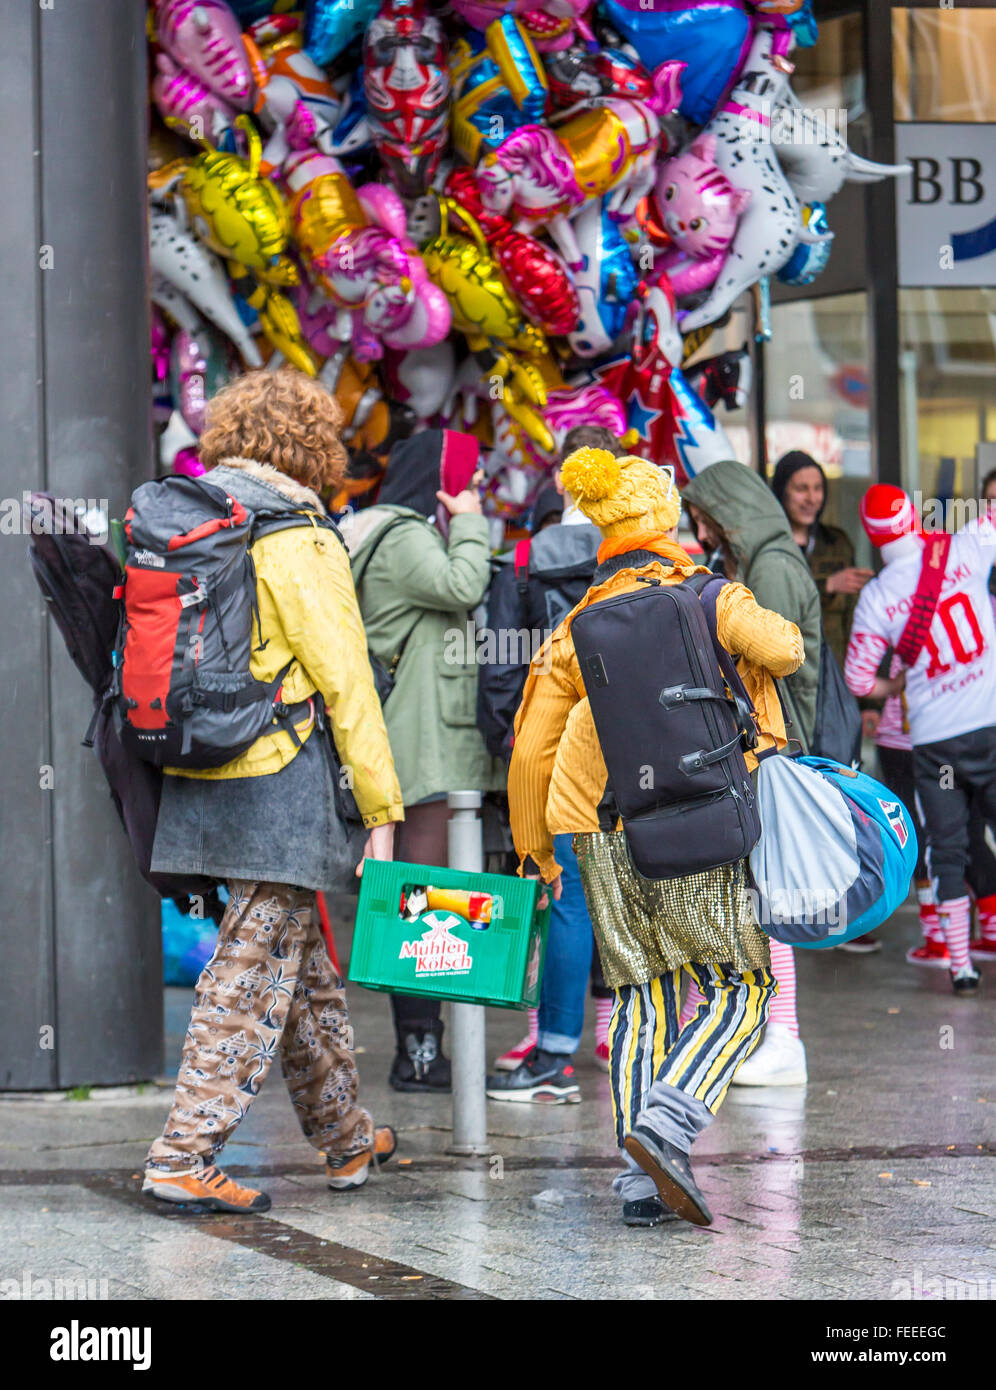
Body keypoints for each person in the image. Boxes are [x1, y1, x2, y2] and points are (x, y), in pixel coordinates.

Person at [508, 446, 805, 1227]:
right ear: (668, 521)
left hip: (597, 826)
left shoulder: (578, 625)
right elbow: (788, 650)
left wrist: (534, 848)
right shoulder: (710, 596)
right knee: (741, 988)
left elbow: (532, 748)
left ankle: (643, 1186)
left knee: (642, 993)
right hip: (698, 816)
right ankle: (669, 1127)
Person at [144, 370, 402, 1213]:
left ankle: (347, 1137)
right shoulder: (296, 535)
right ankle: (183, 1154)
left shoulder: (195, 518)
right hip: (278, 779)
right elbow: (347, 679)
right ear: (310, 444)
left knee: (301, 967)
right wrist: (381, 808)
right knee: (250, 968)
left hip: (201, 765)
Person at [342, 429, 503, 1090]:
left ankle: (424, 1047)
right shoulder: (408, 536)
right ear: (443, 482)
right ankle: (420, 1053)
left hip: (416, 732)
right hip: (422, 739)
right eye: (467, 480)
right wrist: (470, 524)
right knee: (424, 895)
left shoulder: (383, 530)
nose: (475, 491)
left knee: (423, 891)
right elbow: (464, 585)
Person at [478, 430, 617, 1099]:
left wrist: (511, 748)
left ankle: (554, 1056)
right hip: (636, 749)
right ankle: (639, 1041)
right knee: (637, 893)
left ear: (561, 482)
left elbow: (500, 672)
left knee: (564, 900)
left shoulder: (523, 563)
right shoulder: (641, 556)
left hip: (556, 752)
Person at [682, 459, 822, 1087]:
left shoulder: (770, 566)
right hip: (761, 751)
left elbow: (774, 661)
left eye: (706, 516)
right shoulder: (760, 560)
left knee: (763, 893)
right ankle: (726, 1025)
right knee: (748, 891)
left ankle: (782, 1037)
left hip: (773, 751)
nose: (701, 527)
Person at [845, 483, 996, 993]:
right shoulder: (966, 546)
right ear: (912, 516)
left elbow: (859, 681)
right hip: (991, 723)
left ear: (871, 536)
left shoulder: (876, 597)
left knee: (947, 848)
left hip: (934, 742)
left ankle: (961, 967)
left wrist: (894, 685)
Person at [771, 450, 872, 667]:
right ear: (781, 492)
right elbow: (769, 604)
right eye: (801, 489)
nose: (811, 498)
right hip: (786, 672)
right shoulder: (769, 546)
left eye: (818, 489)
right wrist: (828, 585)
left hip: (835, 670)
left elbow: (853, 616)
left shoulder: (837, 542)